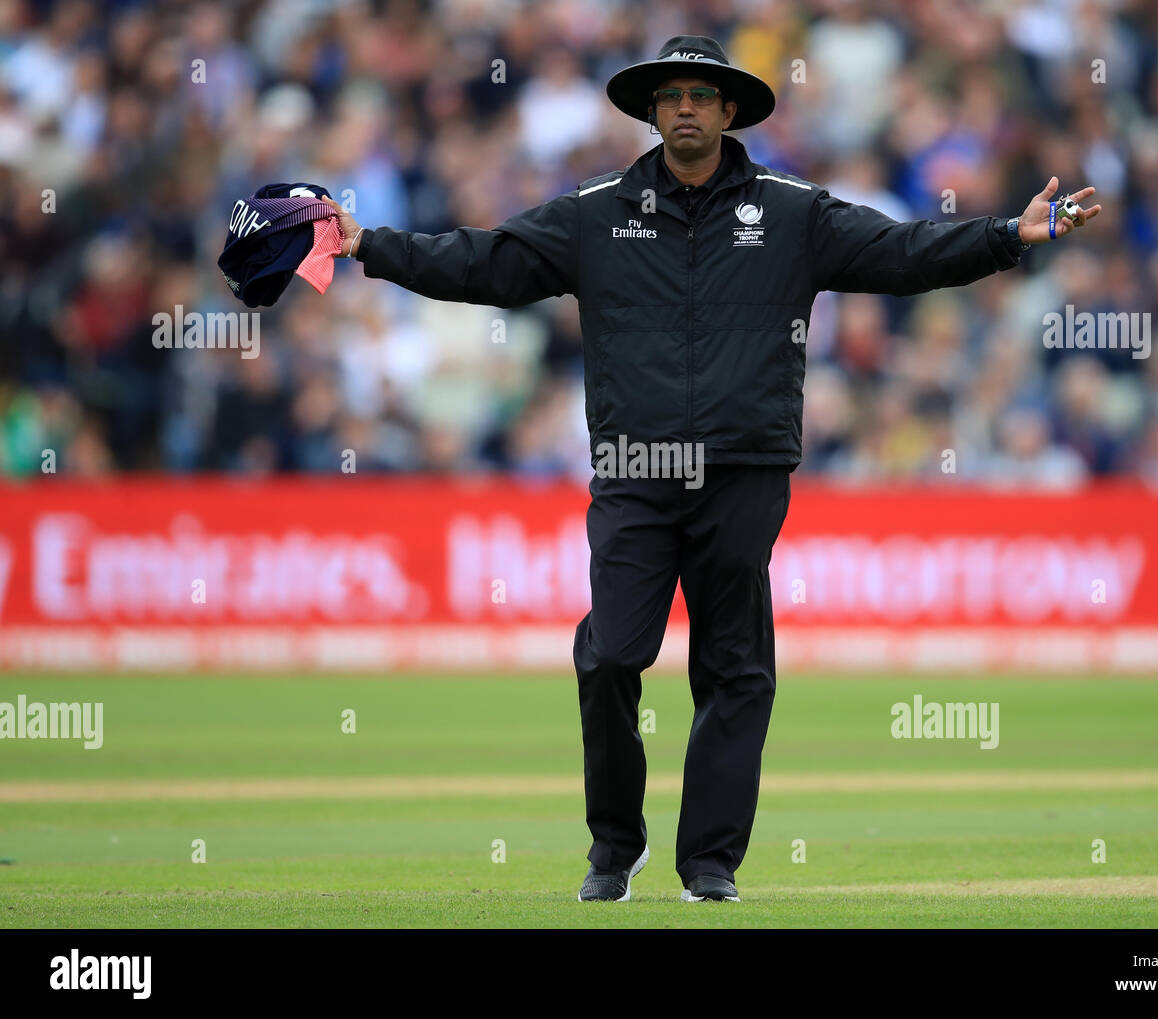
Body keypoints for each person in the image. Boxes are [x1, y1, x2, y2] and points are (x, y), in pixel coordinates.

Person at [323, 35, 1101, 903]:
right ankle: (615, 846)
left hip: (745, 468)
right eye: (670, 96)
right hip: (635, 467)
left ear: (731, 110)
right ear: (650, 113)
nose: (685, 106)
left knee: (735, 670)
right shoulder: (595, 212)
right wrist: (370, 246)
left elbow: (902, 253)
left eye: (701, 94)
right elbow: (483, 262)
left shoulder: (792, 210)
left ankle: (710, 864)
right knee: (613, 654)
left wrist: (1007, 236)